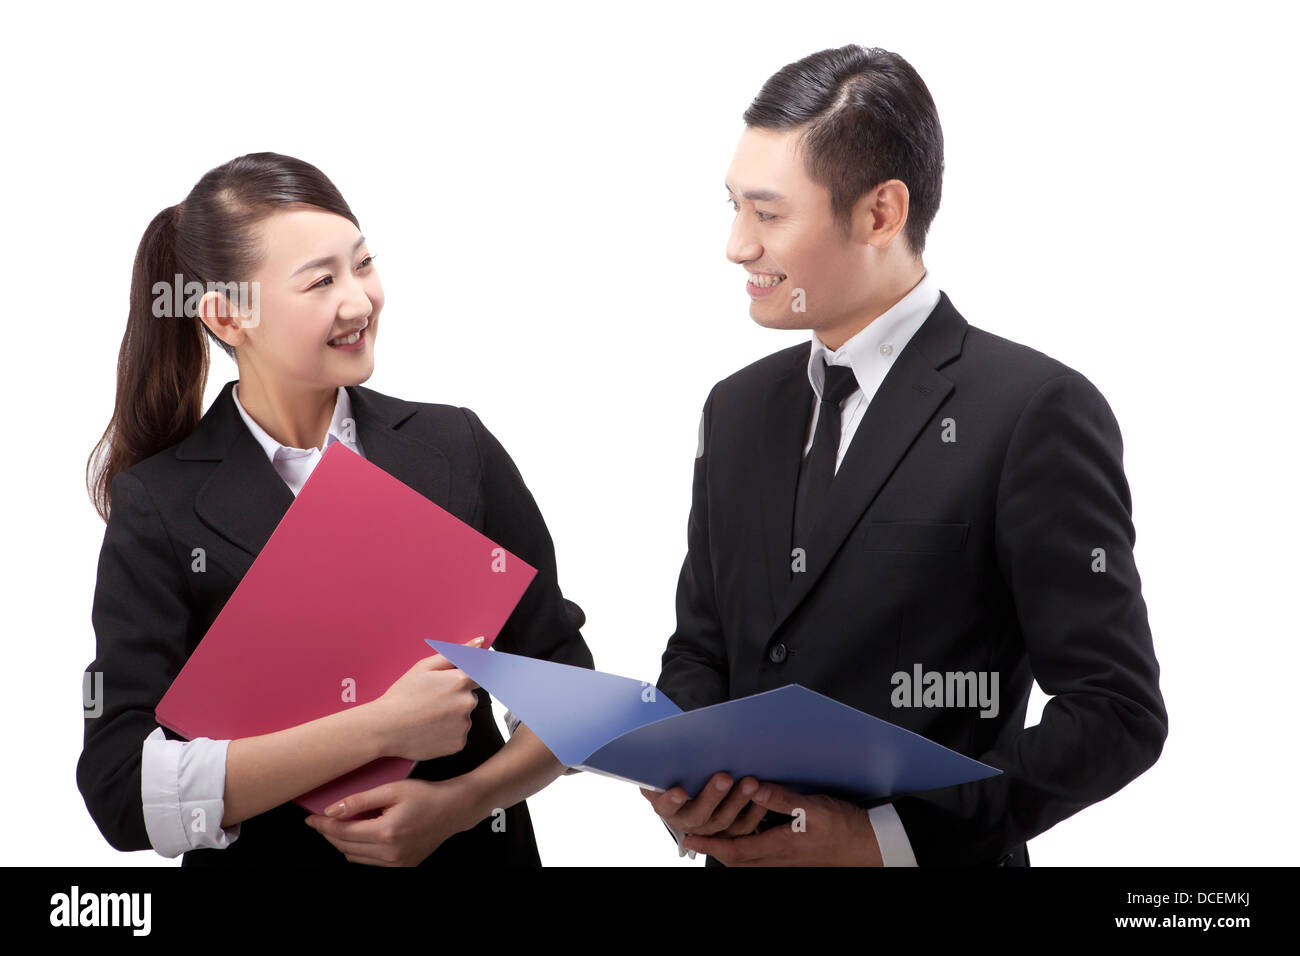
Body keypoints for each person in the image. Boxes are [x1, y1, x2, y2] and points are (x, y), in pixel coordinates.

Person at [641, 45, 1168, 866]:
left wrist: (883, 840)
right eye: (733, 206)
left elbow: (1115, 712)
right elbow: (703, 650)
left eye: (768, 214)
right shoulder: (736, 408)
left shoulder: (1032, 411)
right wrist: (680, 775)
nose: (736, 246)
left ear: (881, 213)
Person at [79, 151, 592, 866]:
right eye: (321, 281)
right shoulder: (161, 504)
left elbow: (569, 690)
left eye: (363, 264)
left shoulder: (456, 448)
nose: (359, 301)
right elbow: (121, 791)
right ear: (229, 316)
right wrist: (379, 730)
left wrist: (462, 805)